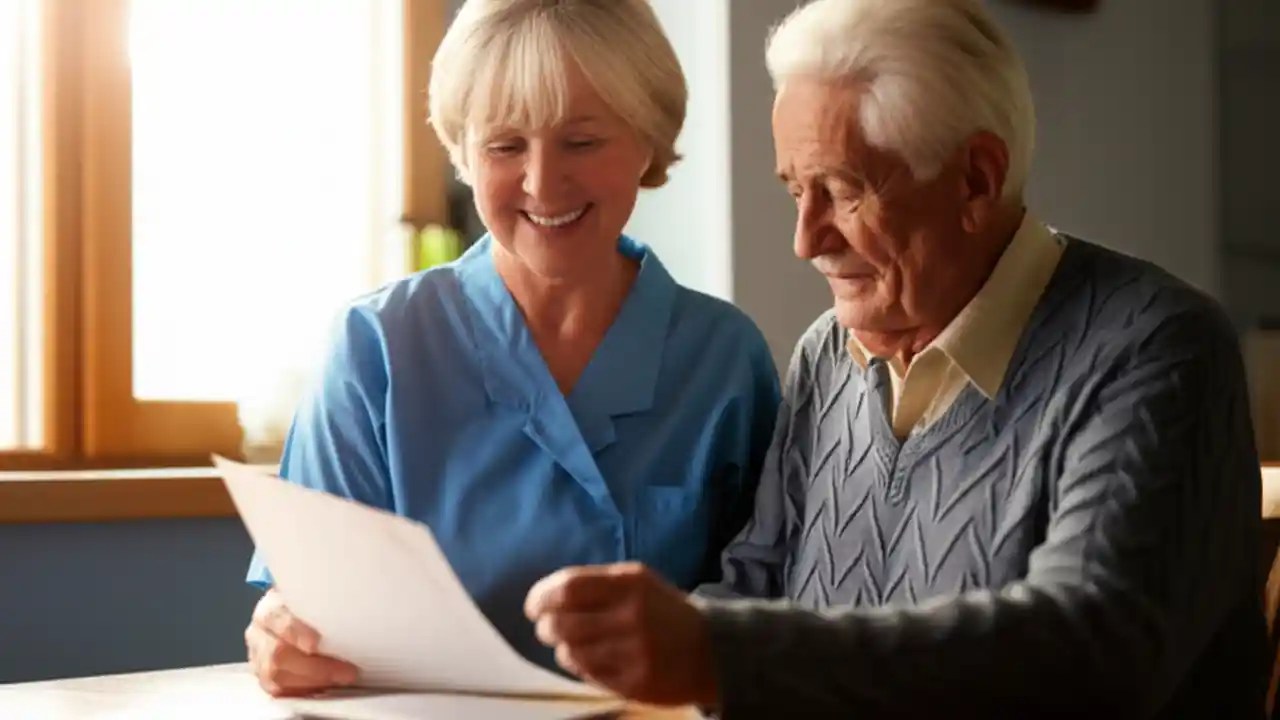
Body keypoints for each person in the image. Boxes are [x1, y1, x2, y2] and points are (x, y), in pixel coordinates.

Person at [523, 0, 1266, 716]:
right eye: (794, 192)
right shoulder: (828, 357)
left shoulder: (1156, 348)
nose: (806, 239)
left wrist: (718, 651)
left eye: (841, 192)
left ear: (975, 180)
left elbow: (1087, 652)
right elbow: (756, 587)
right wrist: (635, 660)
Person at [241, 0, 780, 698]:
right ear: (462, 151)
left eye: (581, 142)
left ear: (648, 138)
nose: (542, 183)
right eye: (504, 147)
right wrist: (283, 636)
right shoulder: (375, 350)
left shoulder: (725, 361)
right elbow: (306, 610)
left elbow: (764, 616)